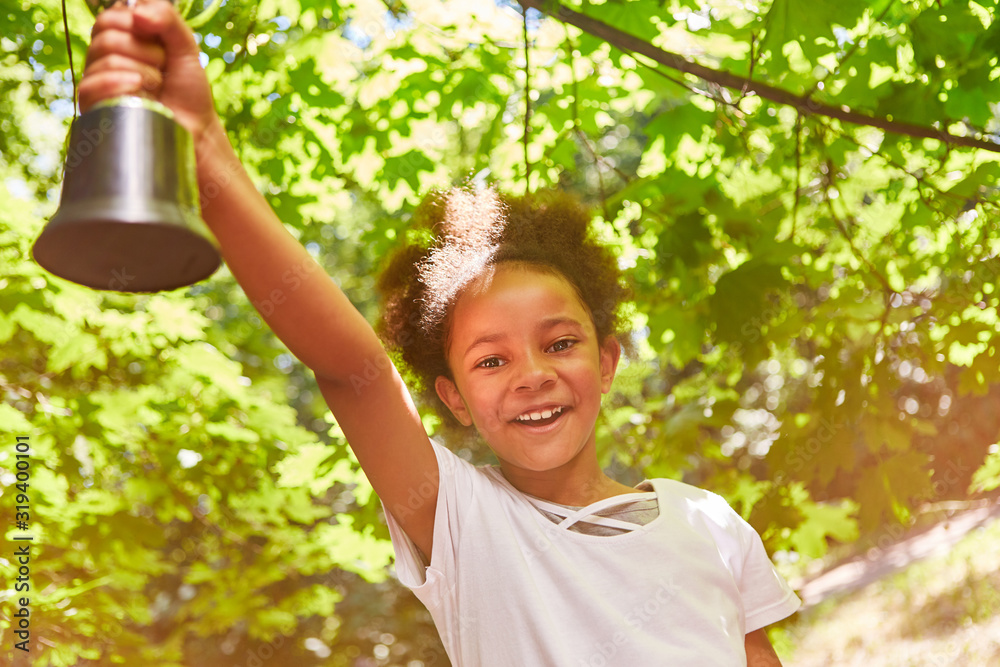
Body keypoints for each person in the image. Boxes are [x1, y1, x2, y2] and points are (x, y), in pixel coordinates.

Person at [80, 2, 800, 664]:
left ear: (608, 360)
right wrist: (202, 146)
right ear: (454, 398)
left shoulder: (707, 520)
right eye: (491, 359)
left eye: (559, 343)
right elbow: (350, 366)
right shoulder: (464, 522)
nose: (532, 373)